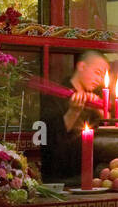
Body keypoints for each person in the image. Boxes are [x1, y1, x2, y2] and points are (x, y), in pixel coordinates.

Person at [37, 50, 110, 185]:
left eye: (103, 76)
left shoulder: (95, 101)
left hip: (92, 177)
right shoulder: (55, 96)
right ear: (81, 66)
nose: (99, 80)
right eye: (97, 73)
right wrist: (73, 112)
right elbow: (49, 140)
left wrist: (102, 113)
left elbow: (108, 141)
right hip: (60, 178)